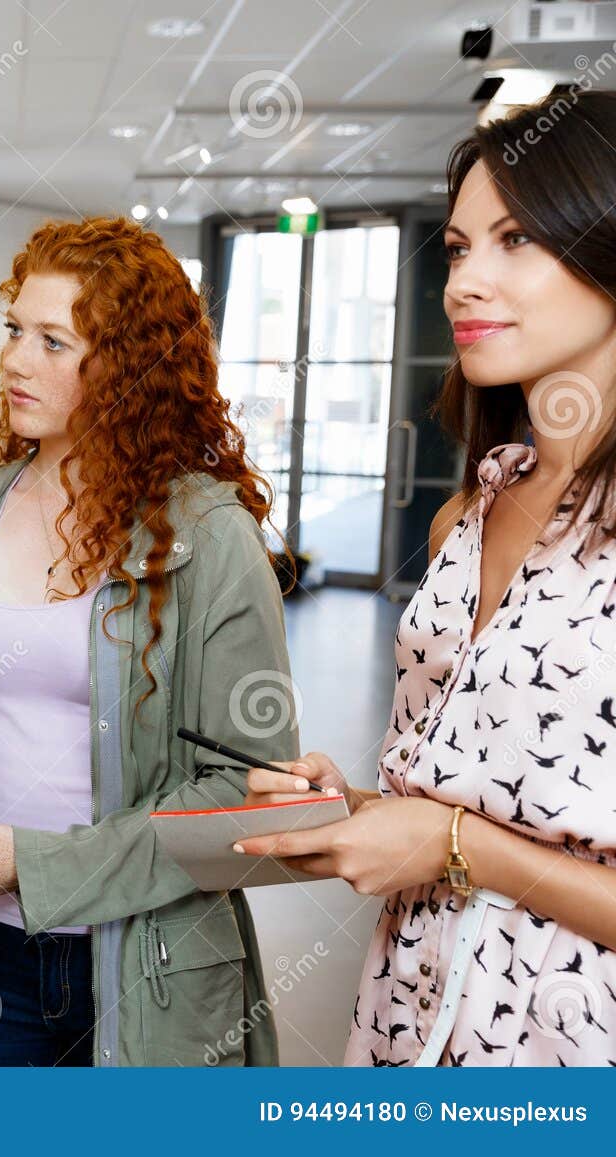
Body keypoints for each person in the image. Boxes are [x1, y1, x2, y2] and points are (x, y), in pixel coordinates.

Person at [237, 91, 616, 1067]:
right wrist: (357, 811)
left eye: (515, 239)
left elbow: (472, 837)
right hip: (407, 1027)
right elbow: (473, 802)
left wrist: (455, 845)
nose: (464, 281)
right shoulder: (467, 518)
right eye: (455, 248)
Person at [0, 217, 294, 1066]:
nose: (16, 361)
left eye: (54, 342)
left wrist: (39, 866)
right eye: (15, 331)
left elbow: (248, 796)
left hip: (153, 968)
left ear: (130, 367)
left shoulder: (209, 536)